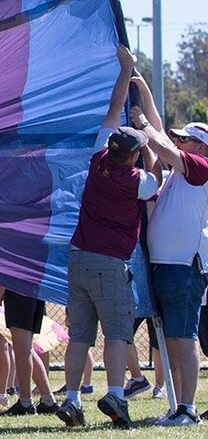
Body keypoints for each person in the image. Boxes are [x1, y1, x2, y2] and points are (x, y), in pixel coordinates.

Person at [56, 45, 156, 430]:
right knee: (117, 333)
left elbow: (112, 111)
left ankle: (70, 399)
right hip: (109, 262)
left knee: (79, 335)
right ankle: (116, 393)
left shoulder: (99, 159)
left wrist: (124, 71)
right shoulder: (136, 181)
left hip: (78, 257)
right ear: (133, 158)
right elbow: (156, 179)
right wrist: (147, 129)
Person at [128, 74, 208, 426]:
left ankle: (187, 408)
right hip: (165, 266)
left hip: (183, 266)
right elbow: (160, 133)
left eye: (186, 140)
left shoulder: (201, 167)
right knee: (172, 342)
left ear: (201, 146)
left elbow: (158, 141)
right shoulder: (181, 171)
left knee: (183, 337)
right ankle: (178, 407)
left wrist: (142, 125)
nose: (178, 141)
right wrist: (143, 85)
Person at [0, 288, 58, 416]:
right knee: (25, 347)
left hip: (19, 289)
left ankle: (25, 403)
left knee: (22, 347)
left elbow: (14, 267)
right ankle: (48, 400)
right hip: (35, 289)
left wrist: (0, 290)